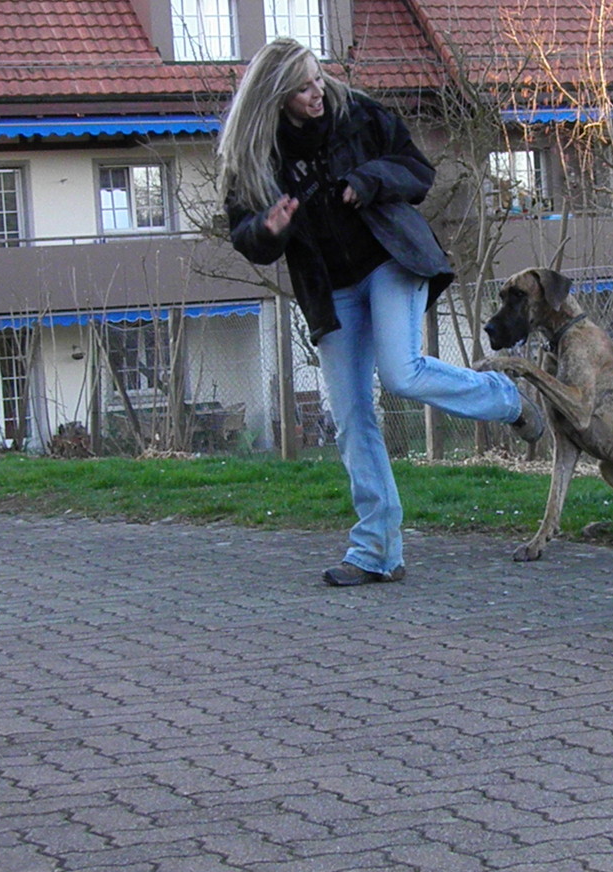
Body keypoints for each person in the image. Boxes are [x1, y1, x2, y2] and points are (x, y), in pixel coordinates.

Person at [218, 38, 545, 587]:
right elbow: (244, 230)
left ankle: (506, 400)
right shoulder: (257, 154)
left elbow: (417, 171)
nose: (317, 92)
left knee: (401, 372)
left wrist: (368, 181)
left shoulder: (357, 114)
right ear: (277, 96)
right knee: (350, 418)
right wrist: (267, 229)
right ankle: (375, 550)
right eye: (303, 87)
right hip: (330, 289)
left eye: (318, 78)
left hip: (390, 260)